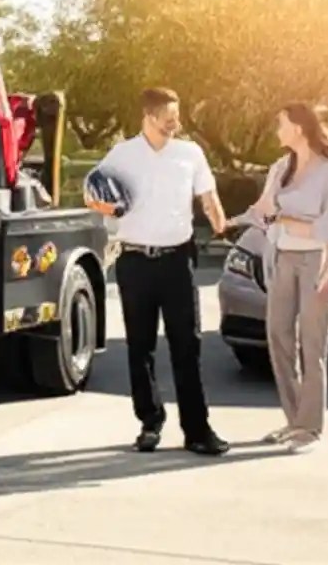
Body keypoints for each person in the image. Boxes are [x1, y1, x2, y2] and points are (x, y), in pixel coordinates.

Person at [84, 87, 230, 456]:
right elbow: (93, 192)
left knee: (187, 346)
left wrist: (219, 220)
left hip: (177, 262)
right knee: (140, 347)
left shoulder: (189, 153)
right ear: (149, 117)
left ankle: (198, 431)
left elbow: (208, 196)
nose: (176, 124)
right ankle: (150, 423)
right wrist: (106, 207)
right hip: (134, 262)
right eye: (169, 118)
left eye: (177, 117)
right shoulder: (122, 154)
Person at [244, 103, 328, 454]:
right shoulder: (279, 168)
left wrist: (287, 221)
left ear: (299, 128)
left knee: (312, 342)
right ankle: (294, 420)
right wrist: (227, 220)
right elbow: (263, 211)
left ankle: (311, 427)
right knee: (277, 334)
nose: (277, 130)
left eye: (281, 124)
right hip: (284, 257)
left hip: (318, 259)